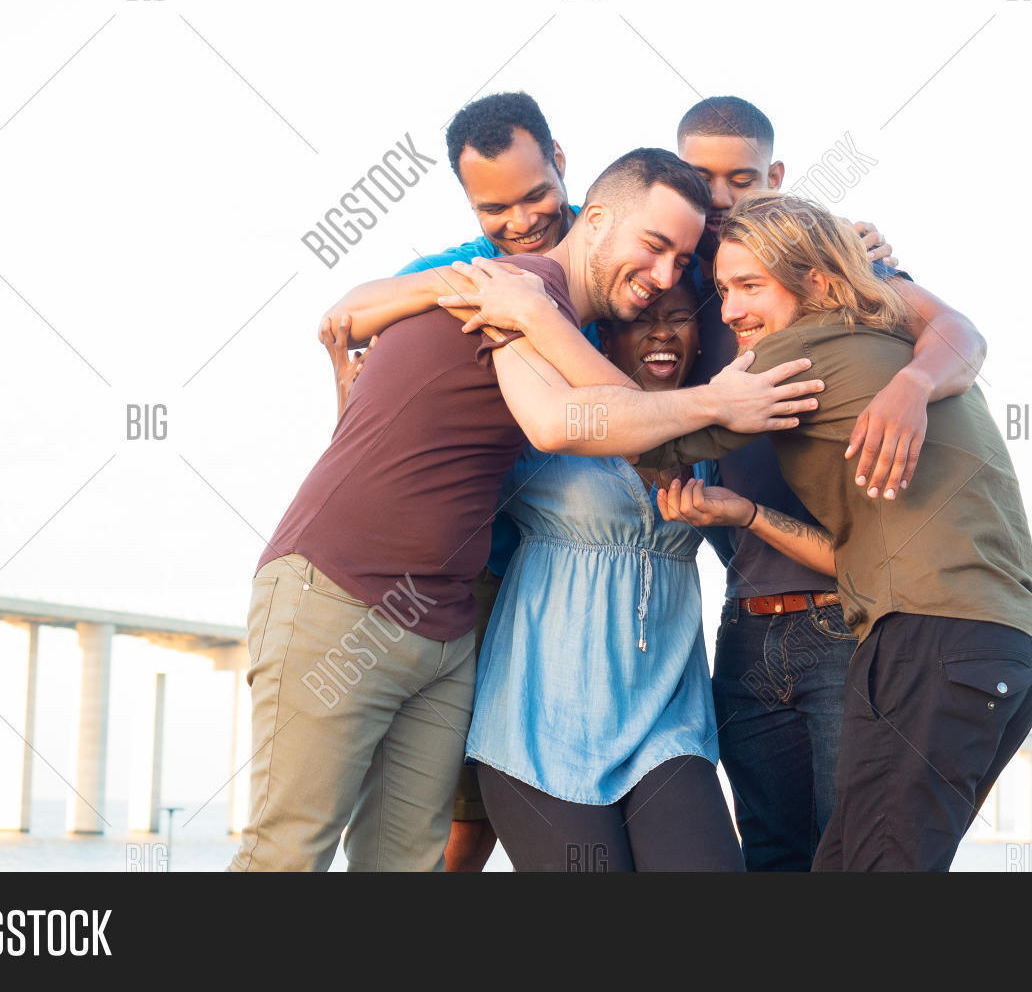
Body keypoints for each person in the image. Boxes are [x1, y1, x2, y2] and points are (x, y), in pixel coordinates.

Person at [322, 90, 906, 871]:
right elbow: (357, 322)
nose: (662, 305)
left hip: (675, 697)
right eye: (497, 203)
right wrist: (484, 302)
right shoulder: (529, 299)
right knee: (459, 835)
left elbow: (845, 294)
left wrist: (857, 252)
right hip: (516, 634)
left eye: (681, 300)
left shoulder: (702, 287)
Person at [228, 152, 821, 871]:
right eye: (654, 247)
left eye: (681, 262)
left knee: (400, 865)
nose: (665, 276)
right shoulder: (522, 293)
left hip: (442, 627)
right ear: (593, 219)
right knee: (285, 855)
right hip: (339, 592)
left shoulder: (544, 309)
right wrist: (716, 402)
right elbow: (555, 421)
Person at [642, 191, 1032, 872]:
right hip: (1001, 654)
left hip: (928, 643)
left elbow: (656, 445)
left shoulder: (800, 355)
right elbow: (863, 554)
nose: (733, 310)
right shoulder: (893, 348)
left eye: (749, 286)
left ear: (821, 285)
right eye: (721, 289)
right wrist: (745, 513)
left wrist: (540, 324)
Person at [673, 95, 988, 870]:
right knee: (774, 856)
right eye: (700, 178)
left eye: (740, 180)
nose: (719, 197)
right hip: (745, 622)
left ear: (775, 175)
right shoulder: (668, 281)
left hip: (848, 623)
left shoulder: (843, 266)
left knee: (856, 856)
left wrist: (913, 384)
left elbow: (962, 333)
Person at [462, 275, 743, 871]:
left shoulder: (711, 431)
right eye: (643, 317)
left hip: (667, 718)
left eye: (681, 317)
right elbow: (432, 484)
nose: (663, 331)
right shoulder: (544, 431)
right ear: (603, 334)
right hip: (540, 717)